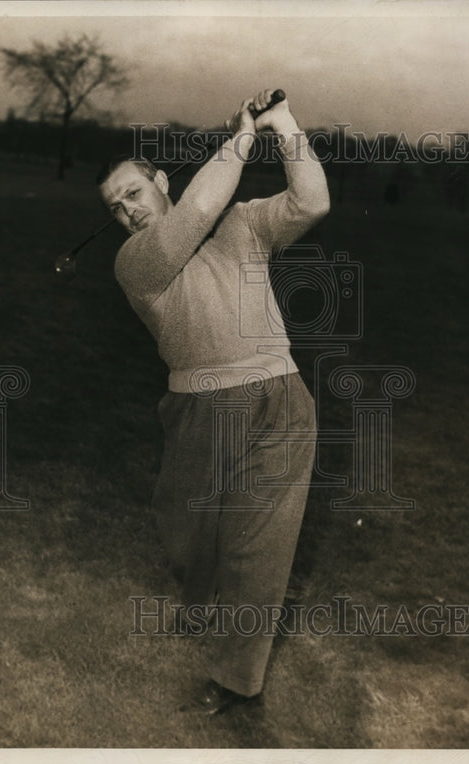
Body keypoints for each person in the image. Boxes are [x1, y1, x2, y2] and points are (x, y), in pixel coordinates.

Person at [97, 90, 330, 715]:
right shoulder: (136, 261)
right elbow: (198, 207)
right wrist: (240, 137)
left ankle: (235, 679)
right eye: (115, 206)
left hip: (280, 400)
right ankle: (204, 603)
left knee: (260, 547)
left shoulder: (245, 222)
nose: (127, 211)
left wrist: (281, 127)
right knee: (188, 538)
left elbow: (313, 200)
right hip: (198, 413)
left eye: (134, 193)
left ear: (160, 181)